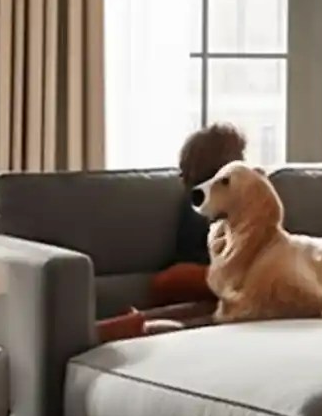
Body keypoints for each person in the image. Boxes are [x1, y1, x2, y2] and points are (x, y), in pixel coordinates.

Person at [96, 123, 247, 343]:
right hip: (202, 280)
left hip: (222, 289)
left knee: (209, 310)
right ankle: (125, 328)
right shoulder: (202, 203)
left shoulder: (241, 202)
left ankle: (129, 327)